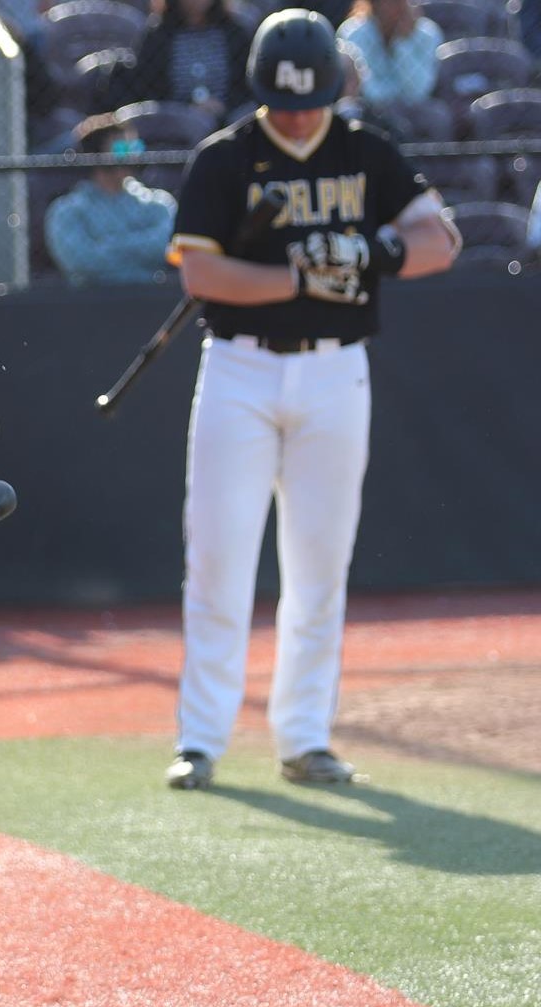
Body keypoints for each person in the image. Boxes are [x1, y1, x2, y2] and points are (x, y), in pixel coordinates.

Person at [161, 8, 458, 792]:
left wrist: (377, 252)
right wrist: (305, 276)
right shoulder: (226, 158)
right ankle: (202, 738)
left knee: (320, 564)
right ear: (260, 90)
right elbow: (202, 274)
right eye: (283, 98)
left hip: (336, 371)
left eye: (311, 97)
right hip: (240, 369)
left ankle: (304, 736)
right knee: (219, 557)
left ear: (335, 87)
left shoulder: (365, 151)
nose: (297, 113)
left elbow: (440, 242)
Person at [45, 114, 178, 283]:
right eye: (121, 149)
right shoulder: (67, 210)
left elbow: (166, 247)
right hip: (90, 303)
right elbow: (79, 261)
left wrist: (106, 244)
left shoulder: (159, 204)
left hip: (148, 298)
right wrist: (140, 249)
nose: (132, 157)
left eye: (136, 148)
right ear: (95, 155)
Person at [120, 0, 254, 121]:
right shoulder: (156, 37)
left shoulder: (236, 34)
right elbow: (147, 91)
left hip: (229, 123)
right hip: (174, 129)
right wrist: (188, 108)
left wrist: (224, 107)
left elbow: (247, 87)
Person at [337, 0, 449, 140]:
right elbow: (367, 90)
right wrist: (392, 102)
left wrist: (402, 43)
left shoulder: (429, 34)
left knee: (437, 116)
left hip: (414, 108)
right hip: (370, 110)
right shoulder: (352, 32)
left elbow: (418, 92)